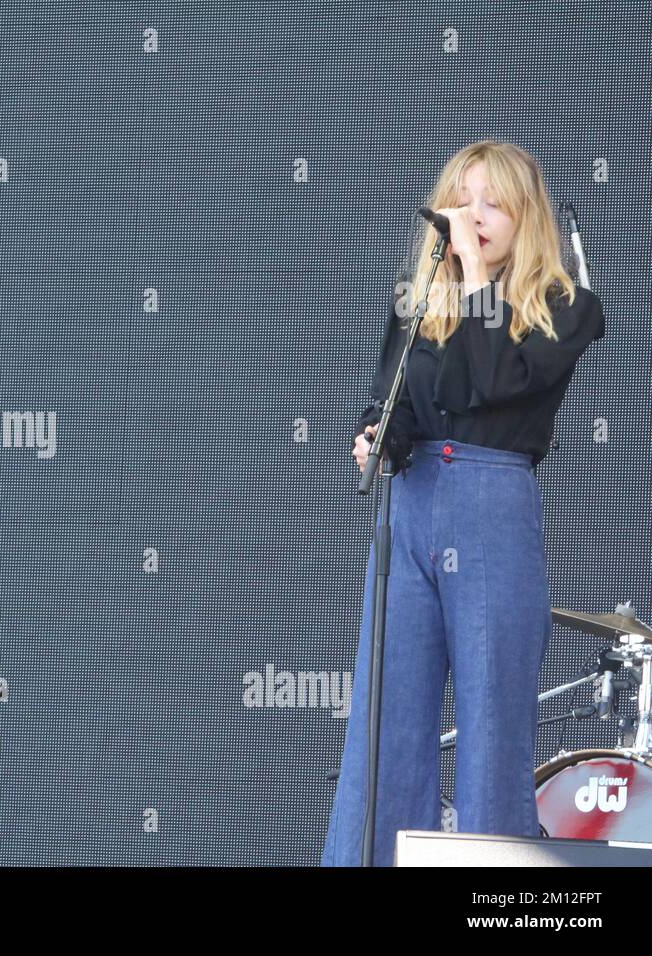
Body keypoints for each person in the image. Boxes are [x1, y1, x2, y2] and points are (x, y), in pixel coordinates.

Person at [321, 141, 605, 867]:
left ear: (524, 218)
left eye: (491, 202)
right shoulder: (419, 302)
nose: (471, 215)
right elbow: (394, 401)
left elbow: (490, 382)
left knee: (490, 730)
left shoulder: (566, 308)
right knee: (386, 730)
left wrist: (474, 277)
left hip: (490, 508)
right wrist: (376, 440)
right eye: (461, 198)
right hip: (411, 506)